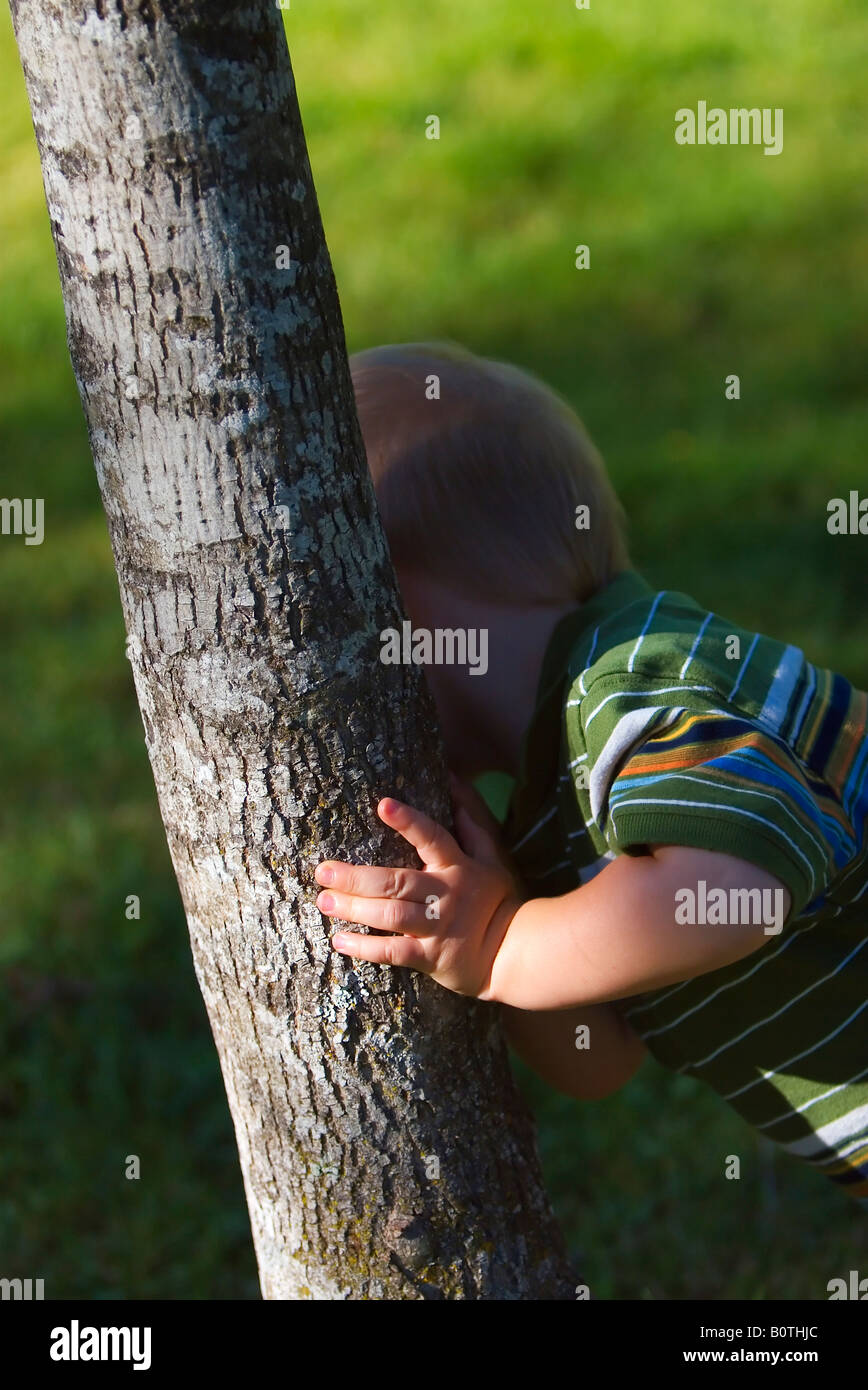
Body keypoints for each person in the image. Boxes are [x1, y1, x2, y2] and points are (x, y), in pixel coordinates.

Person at [314, 341, 868, 1205]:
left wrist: (502, 948)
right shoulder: (555, 793)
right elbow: (601, 1061)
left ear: (399, 601)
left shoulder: (636, 681)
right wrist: (509, 921)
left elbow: (735, 886)